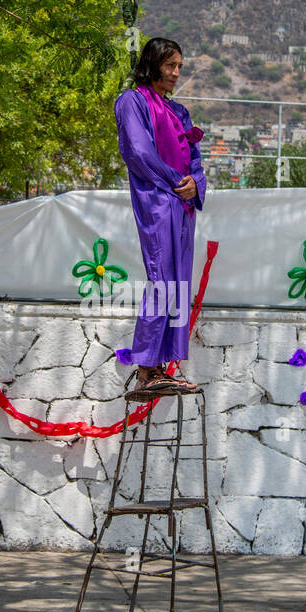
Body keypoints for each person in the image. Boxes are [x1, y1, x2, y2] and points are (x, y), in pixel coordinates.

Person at [114, 37, 207, 396]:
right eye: (170, 66)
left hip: (182, 207)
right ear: (152, 64)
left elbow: (195, 160)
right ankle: (146, 368)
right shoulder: (132, 102)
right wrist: (175, 182)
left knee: (178, 286)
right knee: (162, 280)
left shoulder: (179, 111)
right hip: (156, 200)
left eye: (180, 66)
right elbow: (137, 152)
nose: (176, 73)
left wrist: (195, 184)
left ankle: (164, 366)